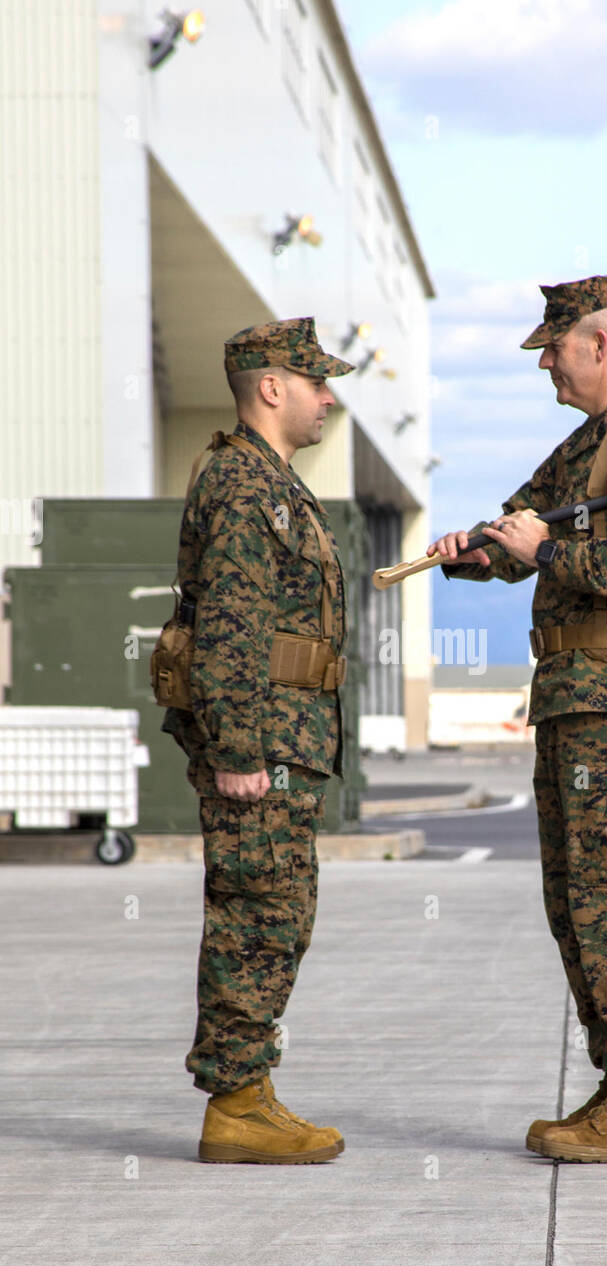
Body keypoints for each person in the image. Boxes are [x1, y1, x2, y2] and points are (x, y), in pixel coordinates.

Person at [427, 274, 607, 1162]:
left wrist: (545, 548)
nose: (544, 361)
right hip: (575, 702)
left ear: (601, 345)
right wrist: (472, 552)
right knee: (573, 899)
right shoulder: (588, 446)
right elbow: (519, 529)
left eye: (553, 346)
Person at [162, 318, 354, 1164]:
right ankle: (237, 1105)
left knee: (278, 913)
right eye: (317, 383)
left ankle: (248, 1092)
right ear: (271, 388)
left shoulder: (269, 481)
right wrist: (239, 752)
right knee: (256, 915)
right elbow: (231, 632)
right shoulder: (245, 485)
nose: (329, 398)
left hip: (285, 738)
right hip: (263, 746)